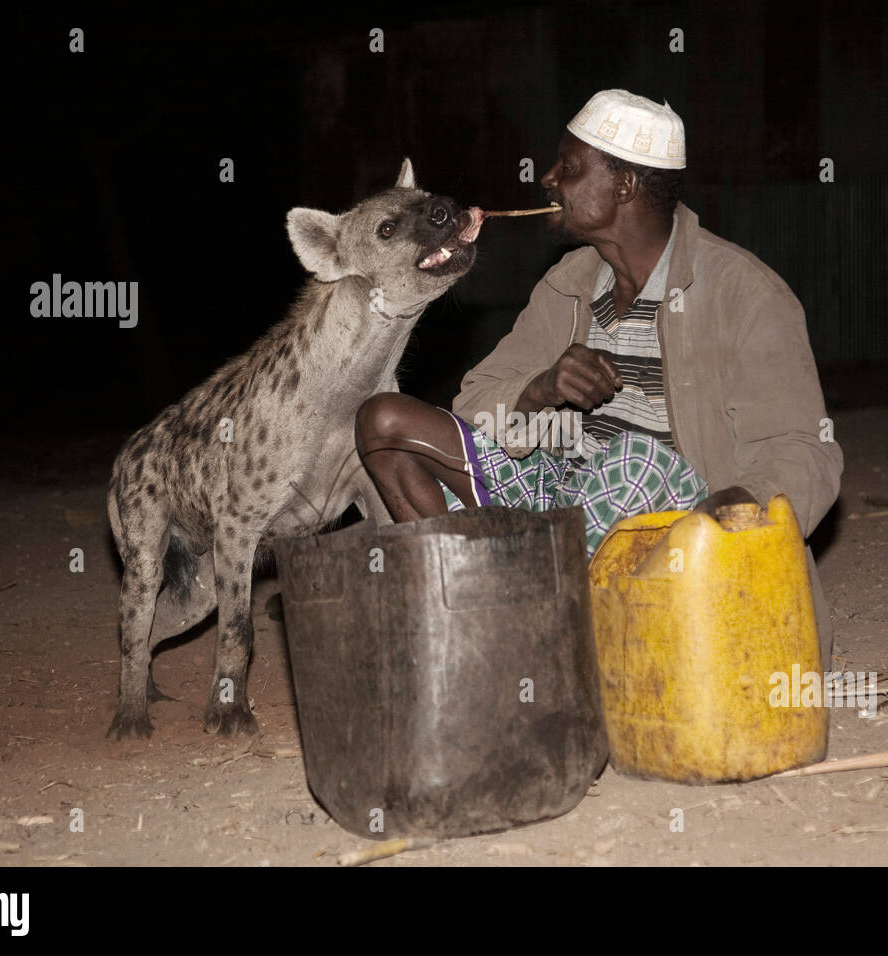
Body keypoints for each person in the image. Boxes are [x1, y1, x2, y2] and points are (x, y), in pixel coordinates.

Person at [355, 89, 842, 667]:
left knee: (635, 460)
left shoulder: (744, 294)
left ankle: (537, 637)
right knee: (384, 420)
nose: (548, 178)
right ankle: (488, 619)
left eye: (571, 167)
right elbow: (475, 405)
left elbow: (805, 452)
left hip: (675, 536)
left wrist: (732, 509)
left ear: (624, 186)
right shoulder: (571, 284)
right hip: (568, 507)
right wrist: (539, 389)